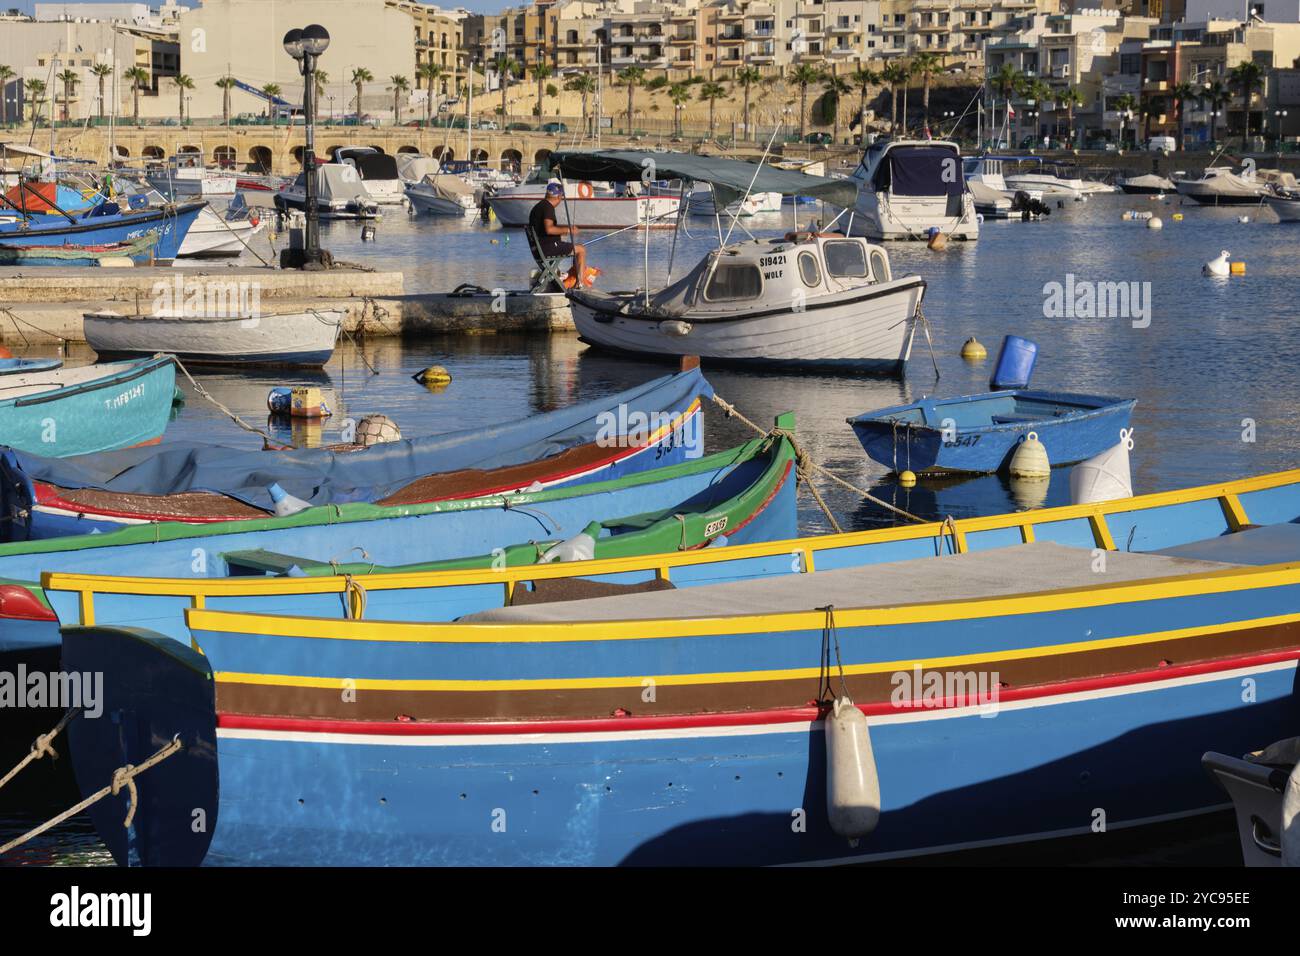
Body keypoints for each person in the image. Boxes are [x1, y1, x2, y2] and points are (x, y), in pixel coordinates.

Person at [528, 182, 593, 288]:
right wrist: (568, 230)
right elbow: (549, 229)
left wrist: (561, 233)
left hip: (540, 249)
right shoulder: (548, 208)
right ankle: (579, 284)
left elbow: (544, 230)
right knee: (581, 249)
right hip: (547, 249)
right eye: (561, 196)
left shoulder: (539, 206)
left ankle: (565, 283)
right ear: (559, 196)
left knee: (576, 248)